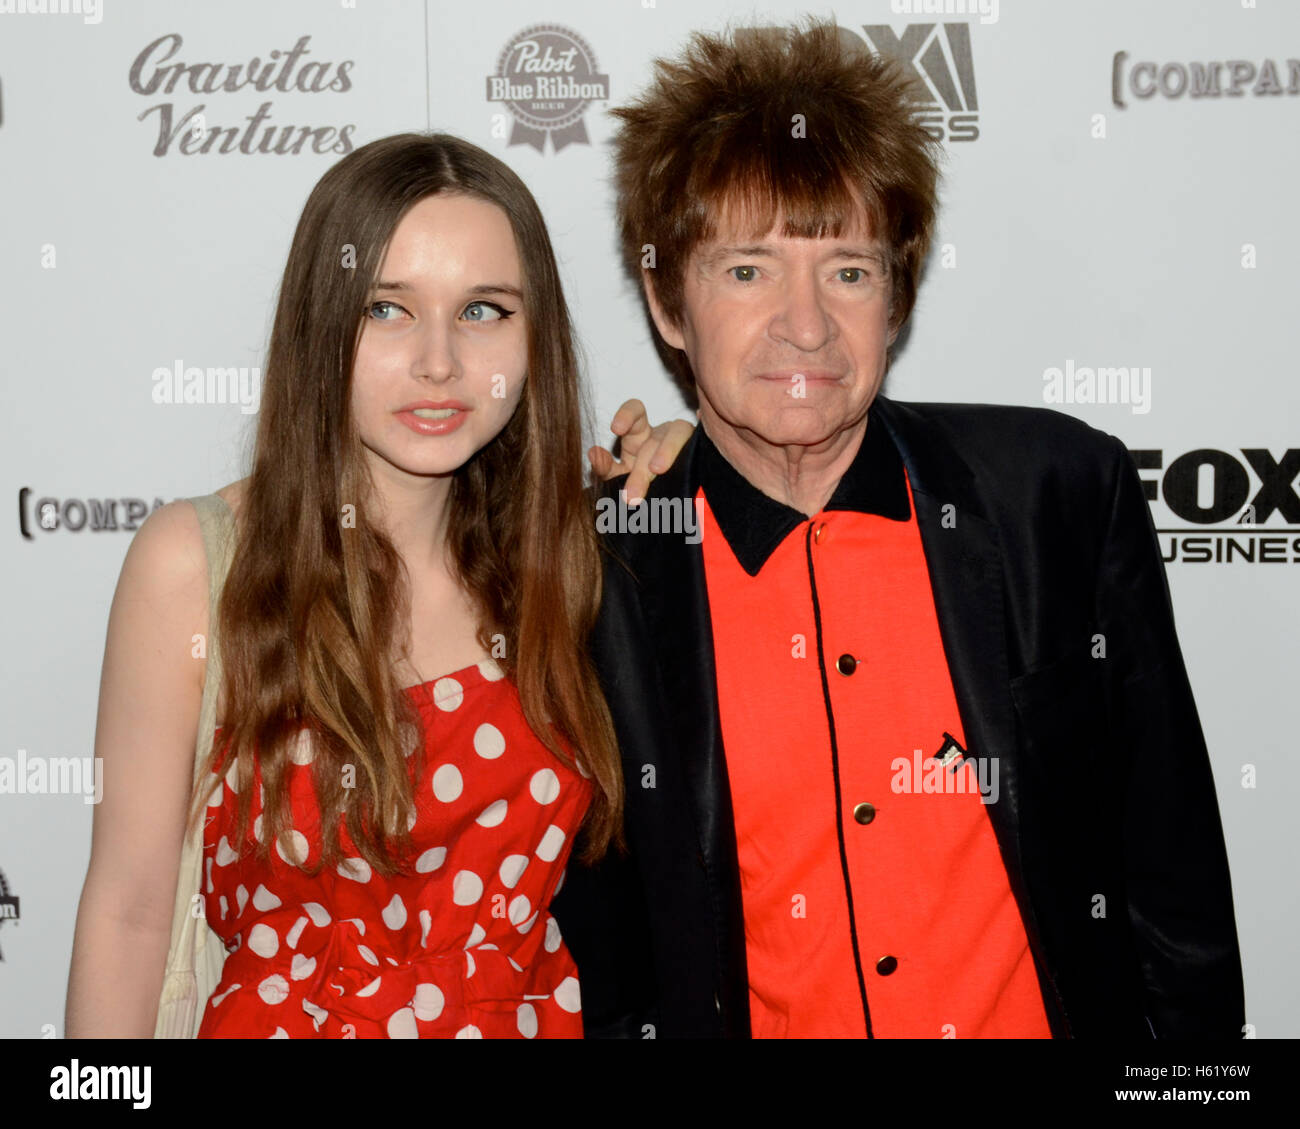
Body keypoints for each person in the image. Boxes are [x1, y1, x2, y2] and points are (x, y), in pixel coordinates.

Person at [551, 18, 1246, 1039]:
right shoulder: (597, 574)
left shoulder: (1055, 497)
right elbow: (602, 963)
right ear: (665, 302)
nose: (804, 324)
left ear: (898, 296)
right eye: (746, 271)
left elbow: (1171, 886)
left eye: (848, 269)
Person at [64, 132, 689, 1039]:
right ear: (323, 322)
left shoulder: (581, 560)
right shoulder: (198, 564)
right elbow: (127, 913)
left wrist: (695, 462)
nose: (439, 361)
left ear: (535, 336)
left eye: (483, 311)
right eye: (387, 309)